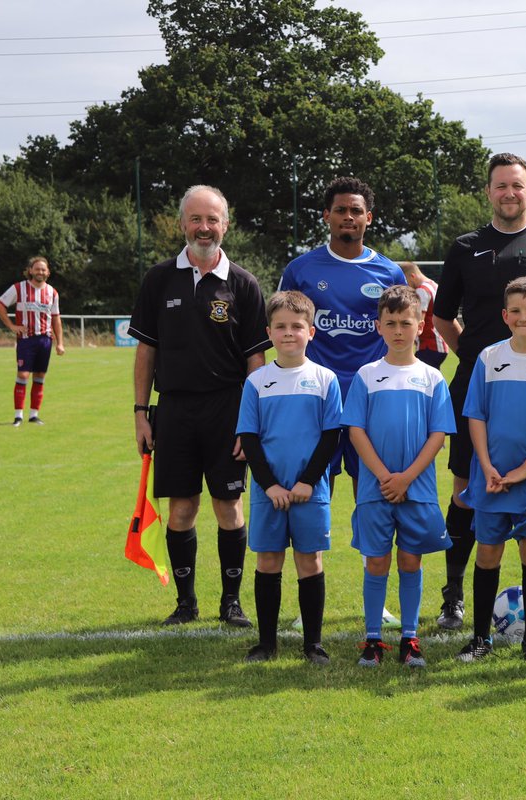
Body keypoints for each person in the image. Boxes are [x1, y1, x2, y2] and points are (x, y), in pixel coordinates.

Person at [432, 152, 526, 631]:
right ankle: (453, 596)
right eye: (500, 186)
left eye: (517, 185)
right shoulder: (464, 246)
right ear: (489, 191)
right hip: (477, 390)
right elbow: (441, 316)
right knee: (466, 492)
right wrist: (474, 359)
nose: (509, 193)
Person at [129, 184, 270, 628]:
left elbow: (255, 361)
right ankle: (186, 603)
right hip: (172, 411)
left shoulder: (243, 283)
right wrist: (140, 412)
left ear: (225, 225)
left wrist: (251, 424)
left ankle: (231, 602)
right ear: (182, 223)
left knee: (229, 507)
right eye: (196, 219)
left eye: (212, 220)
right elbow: (145, 353)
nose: (204, 228)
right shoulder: (158, 279)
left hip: (229, 410)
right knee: (181, 509)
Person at [279, 176, 408, 631]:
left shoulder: (388, 273)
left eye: (357, 210)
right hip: (314, 401)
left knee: (371, 496)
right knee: (313, 493)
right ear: (327, 216)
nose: (348, 217)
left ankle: (378, 601)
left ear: (368, 218)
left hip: (372, 403)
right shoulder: (300, 269)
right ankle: (308, 604)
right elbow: (283, 324)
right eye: (341, 210)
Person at [455, 276, 526, 663]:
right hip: (490, 477)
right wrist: (486, 465)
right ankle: (480, 639)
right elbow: (476, 414)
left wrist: (524, 469)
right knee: (487, 552)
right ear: (505, 316)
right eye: (517, 311)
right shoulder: (489, 358)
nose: (525, 317)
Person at [341, 285, 457, 668]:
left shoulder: (431, 378)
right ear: (378, 326)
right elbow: (355, 430)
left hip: (417, 488)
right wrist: (384, 476)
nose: (398, 330)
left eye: (405, 322)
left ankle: (410, 639)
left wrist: (406, 477)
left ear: (420, 324)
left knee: (411, 561)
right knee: (377, 562)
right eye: (390, 323)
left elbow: (438, 435)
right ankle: (373, 640)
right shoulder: (367, 375)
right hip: (377, 489)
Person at [237, 290, 342, 665]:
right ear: (269, 332)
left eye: (296, 326)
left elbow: (332, 436)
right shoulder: (257, 381)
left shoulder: (325, 379)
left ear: (310, 332)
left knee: (309, 560)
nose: (288, 333)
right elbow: (249, 438)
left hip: (309, 491)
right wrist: (270, 485)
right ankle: (266, 644)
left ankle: (313, 644)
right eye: (280, 327)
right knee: (268, 561)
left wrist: (306, 482)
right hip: (270, 491)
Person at [0, 256, 65, 426]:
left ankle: (33, 415)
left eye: (43, 269)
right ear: (30, 270)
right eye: (37, 269)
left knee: (40, 376)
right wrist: (11, 326)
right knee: (23, 374)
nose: (40, 272)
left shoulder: (52, 292)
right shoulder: (19, 288)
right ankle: (18, 415)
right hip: (26, 340)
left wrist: (60, 343)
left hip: (45, 340)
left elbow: (56, 319)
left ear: (48, 272)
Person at [400, 261, 455, 369]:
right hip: (439, 345)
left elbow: (418, 320)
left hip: (429, 346)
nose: (405, 286)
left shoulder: (422, 291)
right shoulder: (434, 285)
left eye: (406, 282)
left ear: (412, 276)